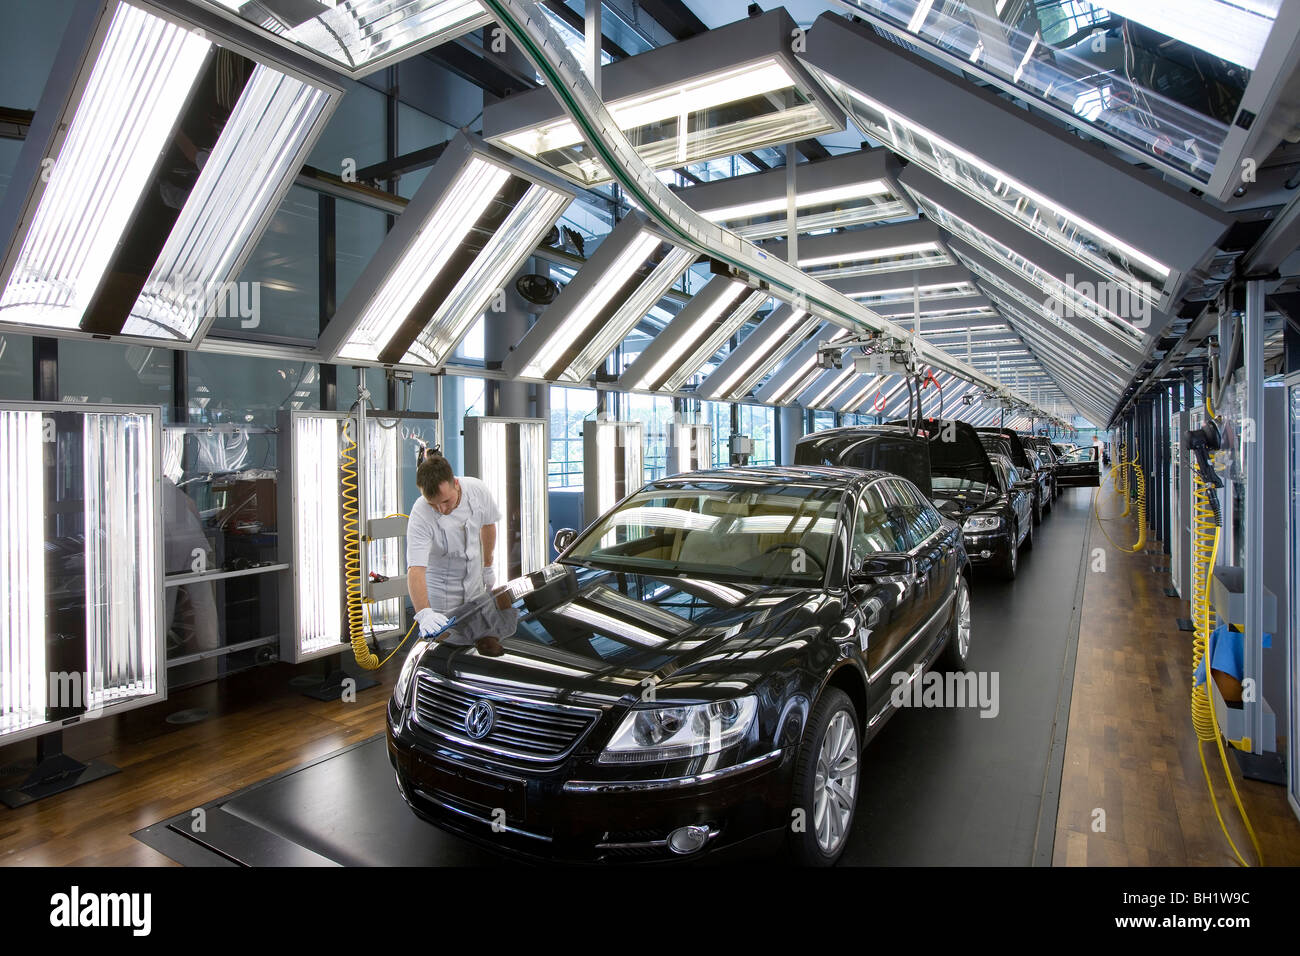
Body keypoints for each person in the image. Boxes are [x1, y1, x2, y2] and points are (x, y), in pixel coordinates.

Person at [406, 452, 501, 639]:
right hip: (441, 598)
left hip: (475, 588)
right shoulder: (420, 513)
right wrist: (424, 613)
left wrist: (488, 566)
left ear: (455, 483)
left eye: (445, 501)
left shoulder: (477, 489)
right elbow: (415, 568)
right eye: (433, 505)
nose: (442, 509)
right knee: (445, 651)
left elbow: (489, 525)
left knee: (479, 646)